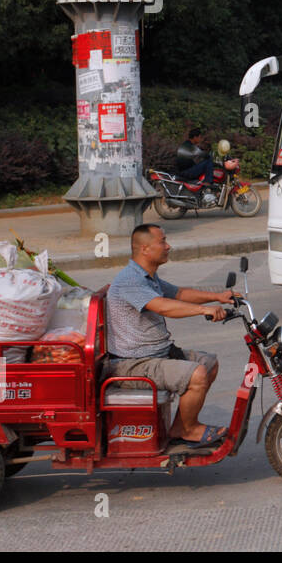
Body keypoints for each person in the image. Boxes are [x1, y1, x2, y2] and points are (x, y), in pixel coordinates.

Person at [105, 224, 237, 446]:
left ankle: (180, 427)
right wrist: (204, 310)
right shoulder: (130, 280)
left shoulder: (147, 276)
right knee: (197, 375)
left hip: (156, 355)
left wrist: (218, 297)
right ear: (145, 249)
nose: (168, 246)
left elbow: (179, 293)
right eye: (162, 242)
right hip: (133, 363)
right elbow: (164, 307)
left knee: (209, 363)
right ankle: (188, 429)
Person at [176, 128, 217, 202]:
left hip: (185, 170)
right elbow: (203, 155)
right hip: (186, 172)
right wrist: (212, 158)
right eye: (199, 137)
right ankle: (208, 182)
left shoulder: (186, 145)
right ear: (195, 137)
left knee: (205, 163)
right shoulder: (189, 146)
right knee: (208, 161)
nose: (200, 139)